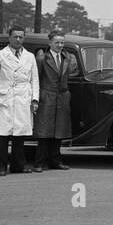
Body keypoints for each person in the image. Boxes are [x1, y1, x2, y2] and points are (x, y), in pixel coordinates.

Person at [0, 25, 39, 176]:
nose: (18, 39)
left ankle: (17, 166)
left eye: (21, 37)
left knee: (19, 136)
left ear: (24, 38)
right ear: (9, 38)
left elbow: (34, 80)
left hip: (23, 98)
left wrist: (35, 99)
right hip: (4, 98)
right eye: (15, 36)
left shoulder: (30, 57)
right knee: (2, 135)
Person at [32, 30, 72, 171]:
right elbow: (36, 79)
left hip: (61, 97)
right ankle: (39, 163)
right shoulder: (42, 59)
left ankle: (55, 161)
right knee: (44, 132)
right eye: (57, 42)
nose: (60, 45)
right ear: (50, 43)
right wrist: (36, 98)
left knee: (59, 132)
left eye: (62, 42)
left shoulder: (66, 58)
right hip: (47, 97)